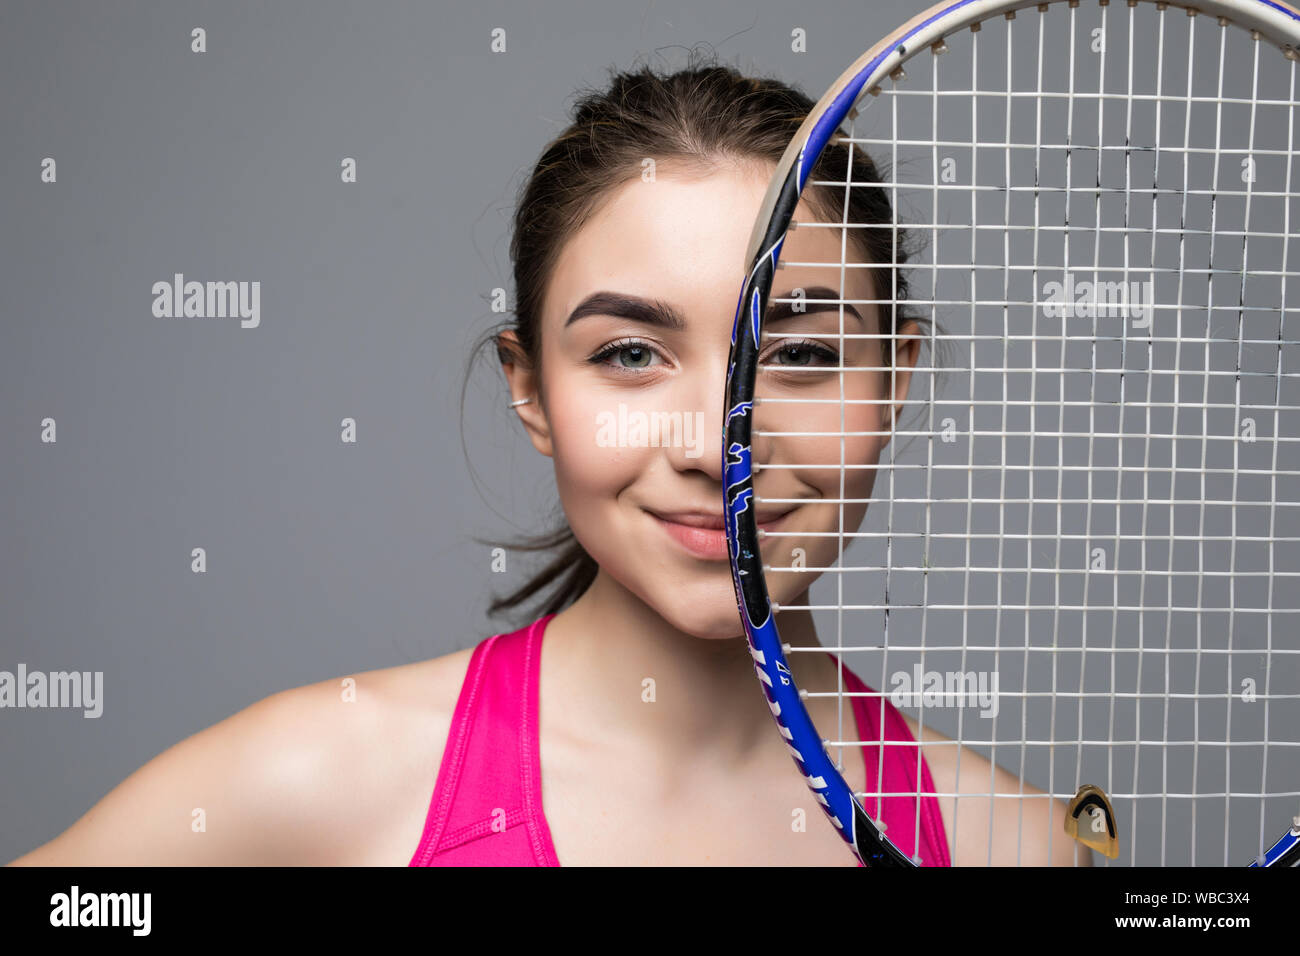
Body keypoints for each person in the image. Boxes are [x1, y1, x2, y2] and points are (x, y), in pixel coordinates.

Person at [8, 56, 1086, 867]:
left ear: (893, 380)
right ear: (531, 389)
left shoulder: (1021, 846)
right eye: (630, 354)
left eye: (802, 353)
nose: (717, 445)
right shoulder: (323, 776)